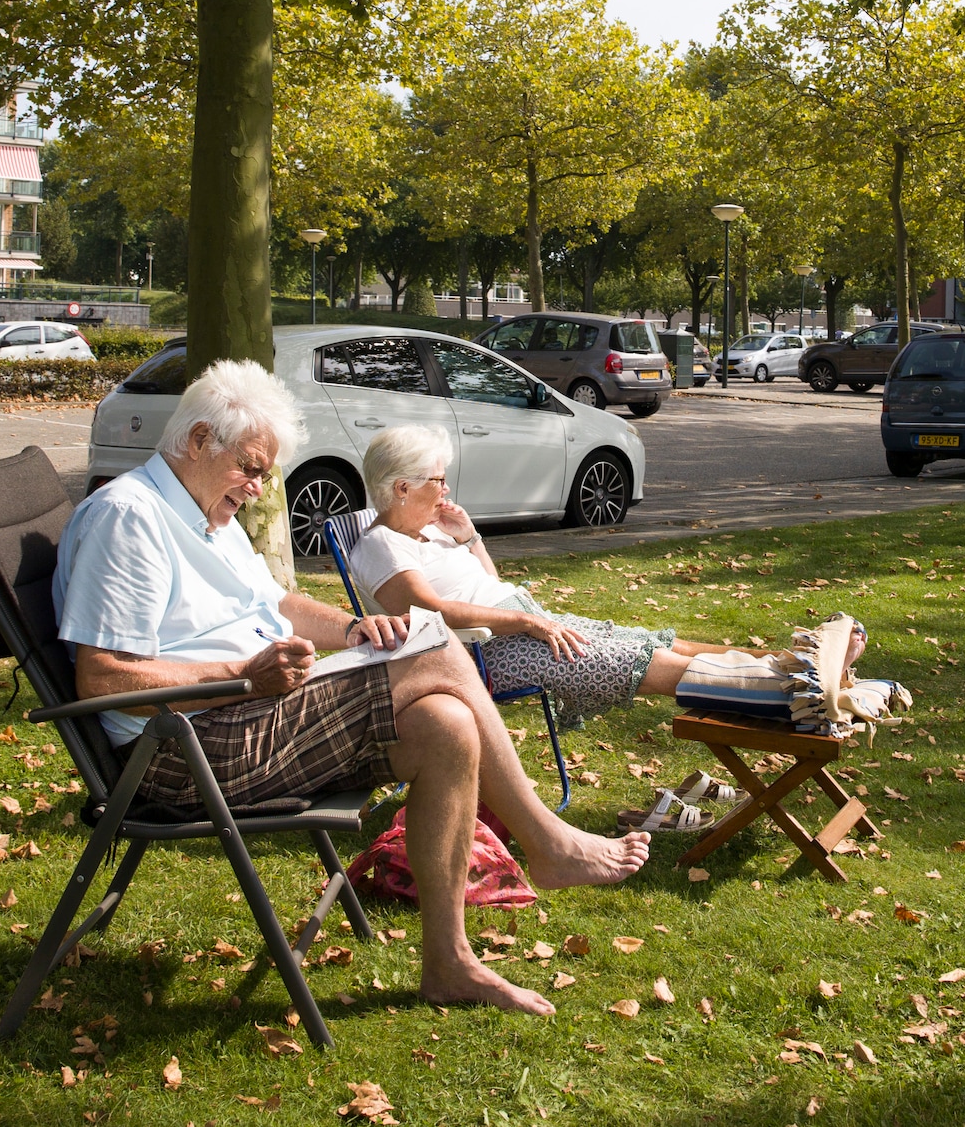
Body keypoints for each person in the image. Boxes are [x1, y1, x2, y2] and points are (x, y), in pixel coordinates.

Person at [51, 360, 645, 1015]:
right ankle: (548, 842)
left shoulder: (206, 516)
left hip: (242, 717)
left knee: (445, 725)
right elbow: (103, 676)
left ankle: (449, 963)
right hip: (179, 752)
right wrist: (242, 675)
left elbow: (277, 602)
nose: (257, 488)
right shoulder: (129, 518)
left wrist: (354, 628)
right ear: (197, 440)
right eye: (250, 468)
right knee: (436, 645)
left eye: (264, 473)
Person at [345, 425, 759, 724]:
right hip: (483, 652)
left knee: (653, 642)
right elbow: (431, 611)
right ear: (402, 488)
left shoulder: (431, 530)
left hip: (518, 626)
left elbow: (490, 584)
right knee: (644, 662)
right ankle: (777, 688)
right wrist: (527, 622)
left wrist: (470, 539)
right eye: (438, 481)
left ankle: (779, 662)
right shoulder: (382, 545)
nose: (446, 490)